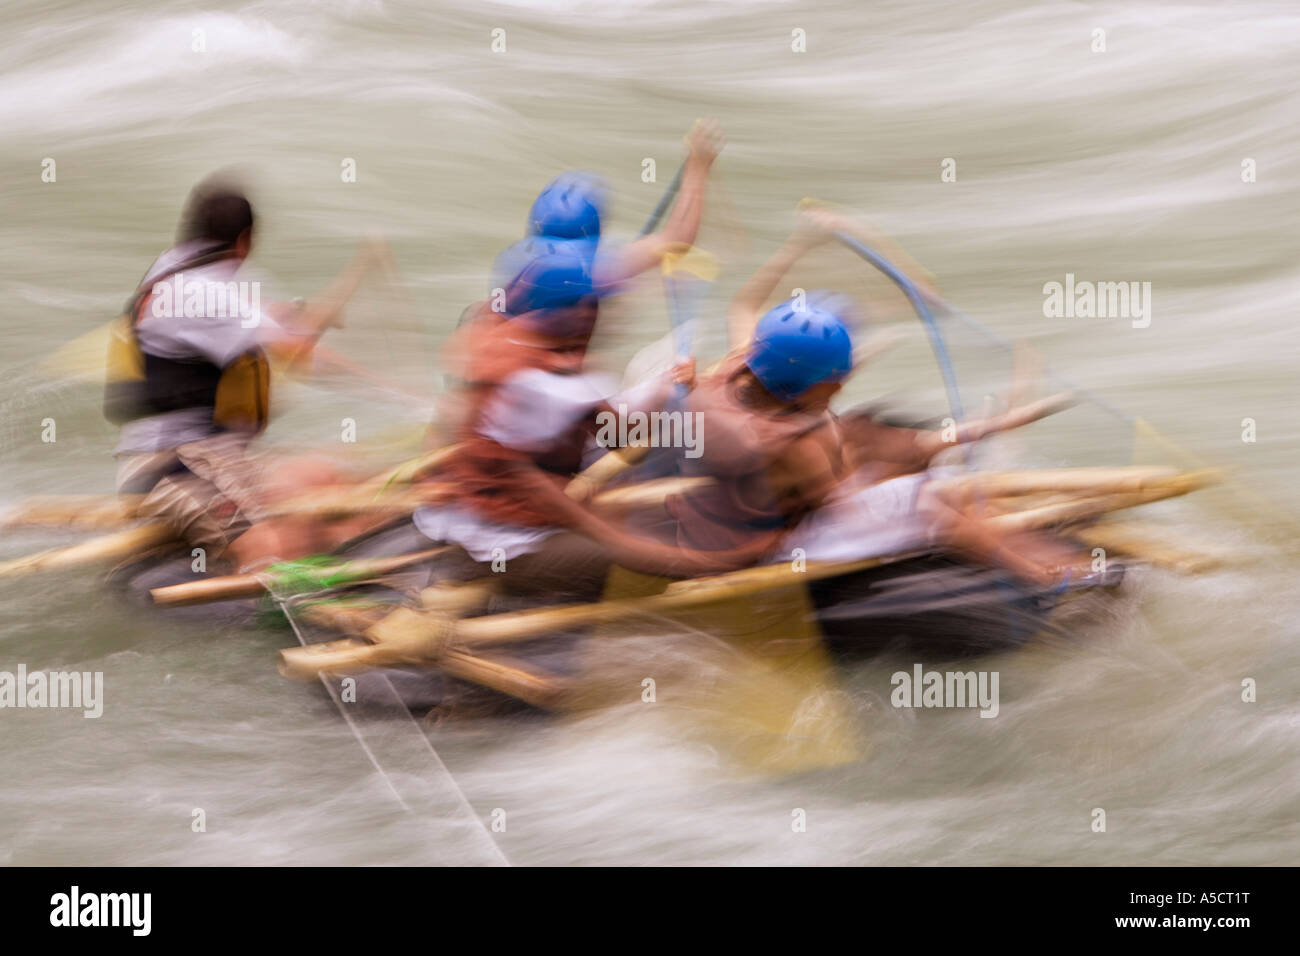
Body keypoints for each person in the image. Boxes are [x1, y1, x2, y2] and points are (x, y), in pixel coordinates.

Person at [668, 207, 1088, 588]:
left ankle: (1026, 549)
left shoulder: (740, 369)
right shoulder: (791, 439)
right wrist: (952, 442)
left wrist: (798, 245)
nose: (842, 385)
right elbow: (839, 502)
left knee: (939, 488)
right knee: (928, 503)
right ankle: (1041, 576)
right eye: (837, 379)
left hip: (773, 515)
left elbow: (743, 306)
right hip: (792, 541)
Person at [414, 252, 775, 606]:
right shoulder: (546, 381)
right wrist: (634, 548)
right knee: (630, 556)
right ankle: (504, 591)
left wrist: (664, 388)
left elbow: (613, 433)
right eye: (591, 308)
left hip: (472, 511)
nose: (600, 318)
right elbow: (611, 442)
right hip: (503, 537)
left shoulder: (496, 338)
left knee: (635, 523)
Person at [107, 172, 391, 571]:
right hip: (172, 466)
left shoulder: (176, 267)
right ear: (245, 241)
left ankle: (358, 555)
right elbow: (296, 348)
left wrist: (300, 315)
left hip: (215, 455)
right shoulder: (205, 293)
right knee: (277, 543)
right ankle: (289, 599)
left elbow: (264, 315)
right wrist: (389, 389)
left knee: (325, 478)